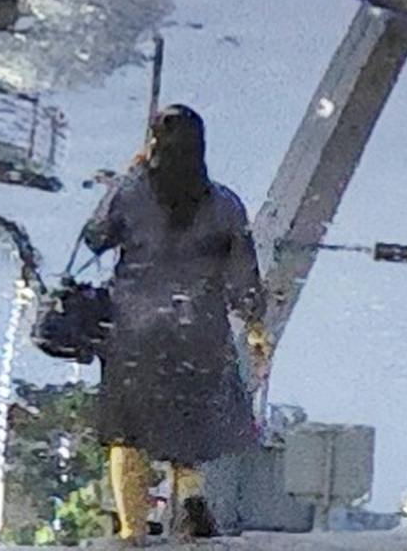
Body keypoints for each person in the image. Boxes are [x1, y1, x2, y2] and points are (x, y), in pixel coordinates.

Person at [75, 107, 266, 541]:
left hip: (136, 331)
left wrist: (129, 177)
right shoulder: (225, 203)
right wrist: (255, 326)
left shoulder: (131, 193)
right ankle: (192, 496)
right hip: (198, 330)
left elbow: (95, 237)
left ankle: (131, 531)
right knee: (188, 422)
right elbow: (242, 274)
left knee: (128, 434)